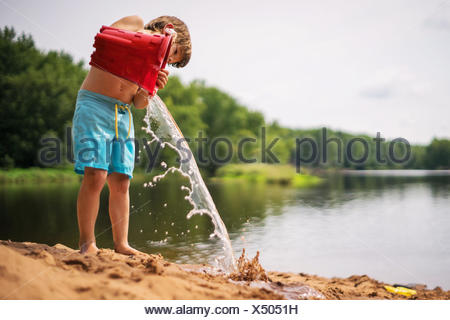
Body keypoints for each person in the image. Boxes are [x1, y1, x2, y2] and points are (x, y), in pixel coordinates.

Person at [72, 15, 191, 255]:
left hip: (123, 114)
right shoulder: (135, 24)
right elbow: (108, 38)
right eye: (173, 51)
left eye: (173, 60)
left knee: (121, 181)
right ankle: (87, 242)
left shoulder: (152, 65)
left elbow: (138, 103)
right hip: (95, 105)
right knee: (95, 175)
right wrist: (158, 41)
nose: (168, 59)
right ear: (169, 30)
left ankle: (121, 244)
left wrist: (150, 87)